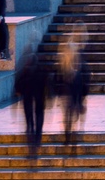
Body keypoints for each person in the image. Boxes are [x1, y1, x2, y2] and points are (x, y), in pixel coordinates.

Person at [56, 22, 90, 155]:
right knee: (73, 112)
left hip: (70, 87)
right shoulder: (79, 51)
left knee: (69, 113)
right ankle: (73, 136)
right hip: (74, 87)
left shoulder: (70, 49)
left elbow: (60, 69)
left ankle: (69, 137)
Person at [13, 48, 50, 160]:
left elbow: (18, 84)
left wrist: (18, 92)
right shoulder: (41, 70)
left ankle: (31, 145)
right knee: (39, 116)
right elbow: (48, 84)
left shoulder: (25, 70)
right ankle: (38, 137)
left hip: (27, 99)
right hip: (39, 99)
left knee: (29, 123)